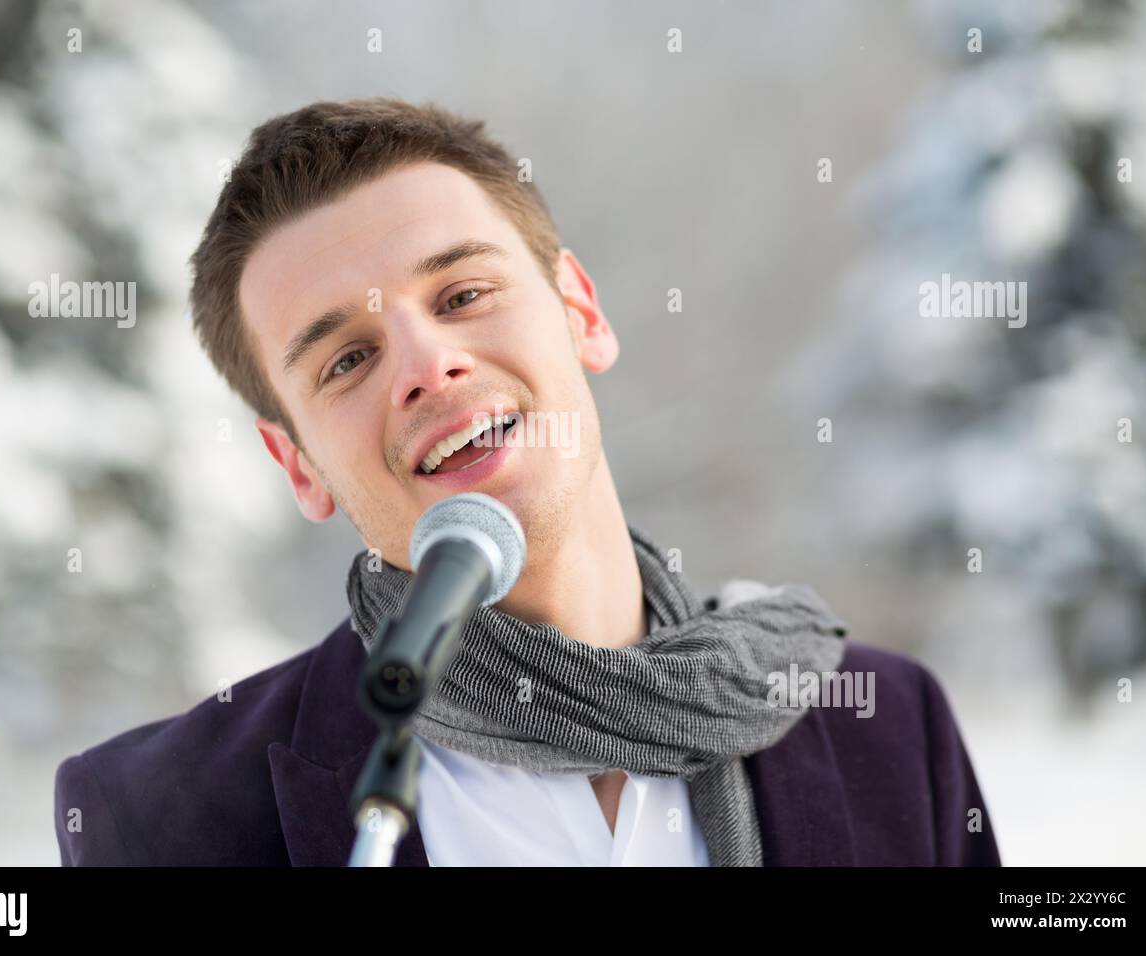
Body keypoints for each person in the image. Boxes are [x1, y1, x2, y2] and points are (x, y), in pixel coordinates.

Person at [54, 97, 1000, 866]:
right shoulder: (154, 824)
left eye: (463, 296)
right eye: (346, 359)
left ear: (580, 311)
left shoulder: (886, 730)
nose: (428, 366)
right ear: (298, 464)